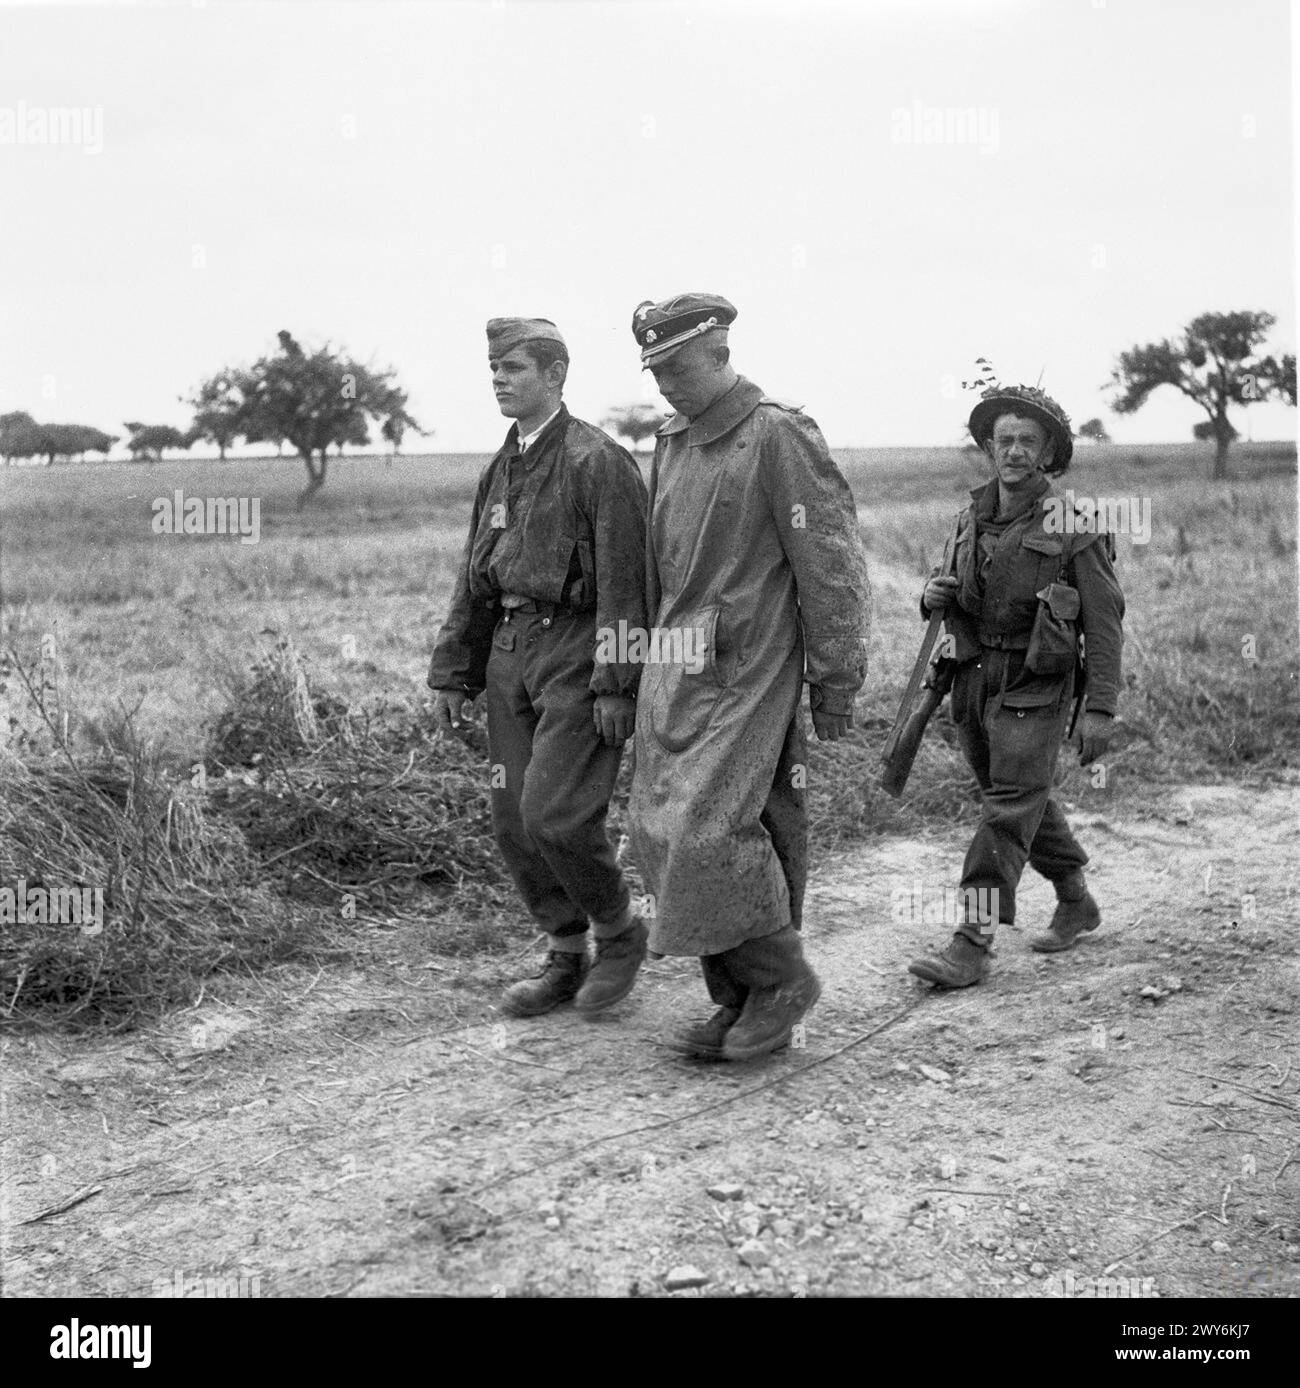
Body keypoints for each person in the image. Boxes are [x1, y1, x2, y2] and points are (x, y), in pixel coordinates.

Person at [627, 292, 872, 1062]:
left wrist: (837, 679)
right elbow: (659, 568)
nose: (664, 382)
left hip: (750, 666)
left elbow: (829, 565)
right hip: (675, 666)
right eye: (653, 369)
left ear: (719, 351)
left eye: (675, 366)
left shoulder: (778, 434)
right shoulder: (672, 442)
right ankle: (736, 998)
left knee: (708, 828)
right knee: (660, 828)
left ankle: (782, 980)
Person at [428, 317, 650, 1017]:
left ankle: (619, 934)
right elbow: (474, 572)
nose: (499, 378)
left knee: (555, 811)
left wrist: (618, 683)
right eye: (494, 366)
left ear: (555, 375)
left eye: (515, 367)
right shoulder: (503, 465)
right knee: (512, 818)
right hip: (507, 652)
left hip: (576, 650)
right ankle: (564, 950)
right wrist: (454, 670)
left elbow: (626, 582)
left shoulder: (597, 461)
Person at [908, 385, 1125, 989]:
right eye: (1004, 439)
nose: (1015, 451)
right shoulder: (969, 515)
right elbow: (949, 587)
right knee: (1018, 795)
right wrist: (930, 595)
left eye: (1030, 440)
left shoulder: (1073, 522)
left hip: (1038, 682)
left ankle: (971, 941)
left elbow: (1104, 623)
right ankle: (1076, 898)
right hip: (974, 680)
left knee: (1007, 807)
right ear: (987, 447)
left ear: (1049, 450)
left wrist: (1100, 708)